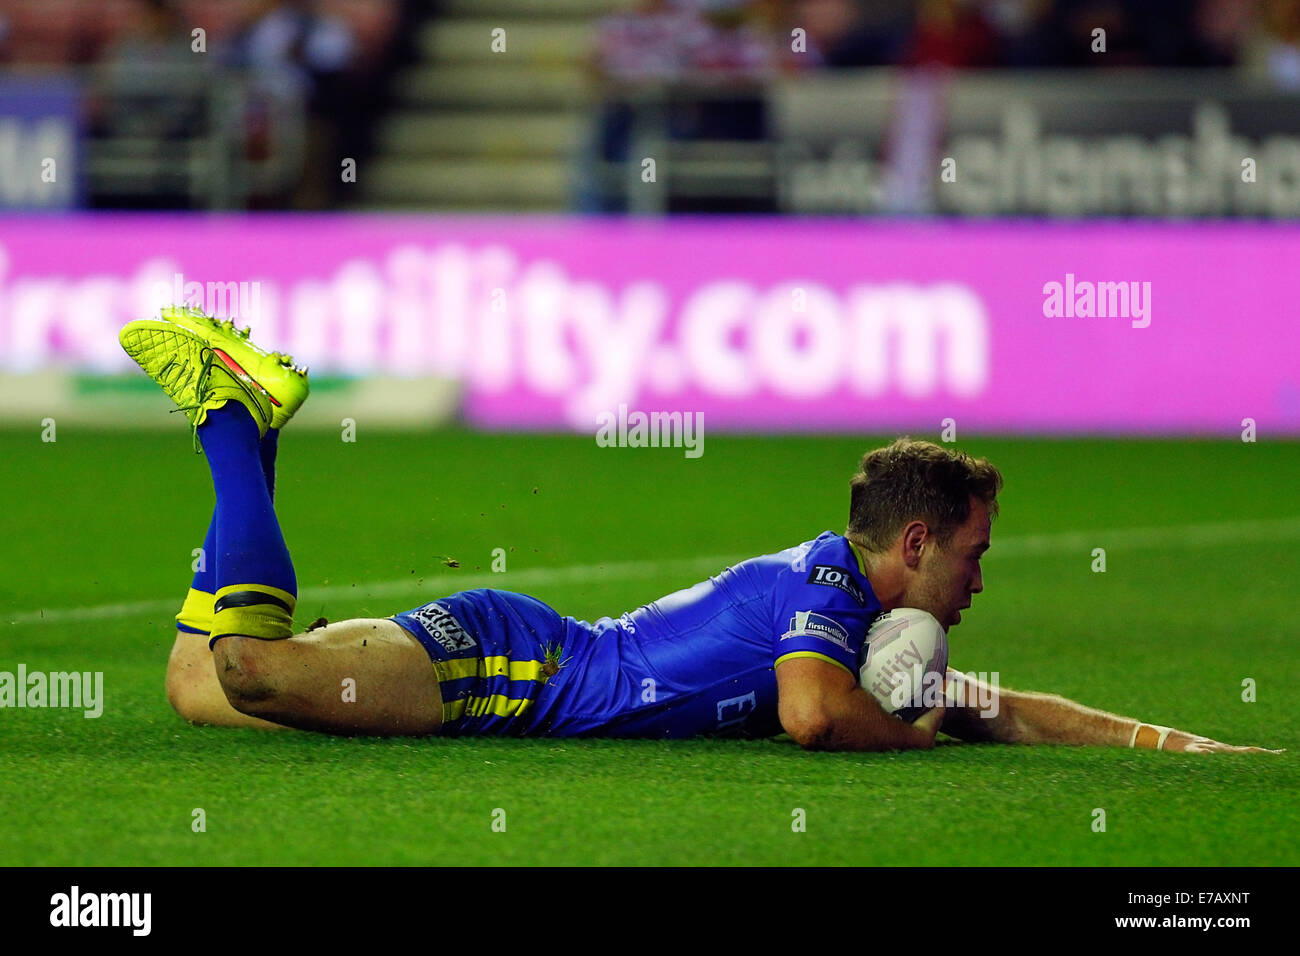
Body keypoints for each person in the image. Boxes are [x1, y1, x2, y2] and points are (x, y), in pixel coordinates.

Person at [121, 308, 1279, 754]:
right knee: (253, 671)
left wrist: (1180, 747)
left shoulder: (852, 614)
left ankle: (253, 443)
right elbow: (813, 717)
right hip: (507, 668)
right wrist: (917, 735)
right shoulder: (827, 588)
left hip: (512, 657)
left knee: (191, 681)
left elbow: (1006, 705)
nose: (979, 577)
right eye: (973, 550)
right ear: (915, 541)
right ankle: (235, 412)